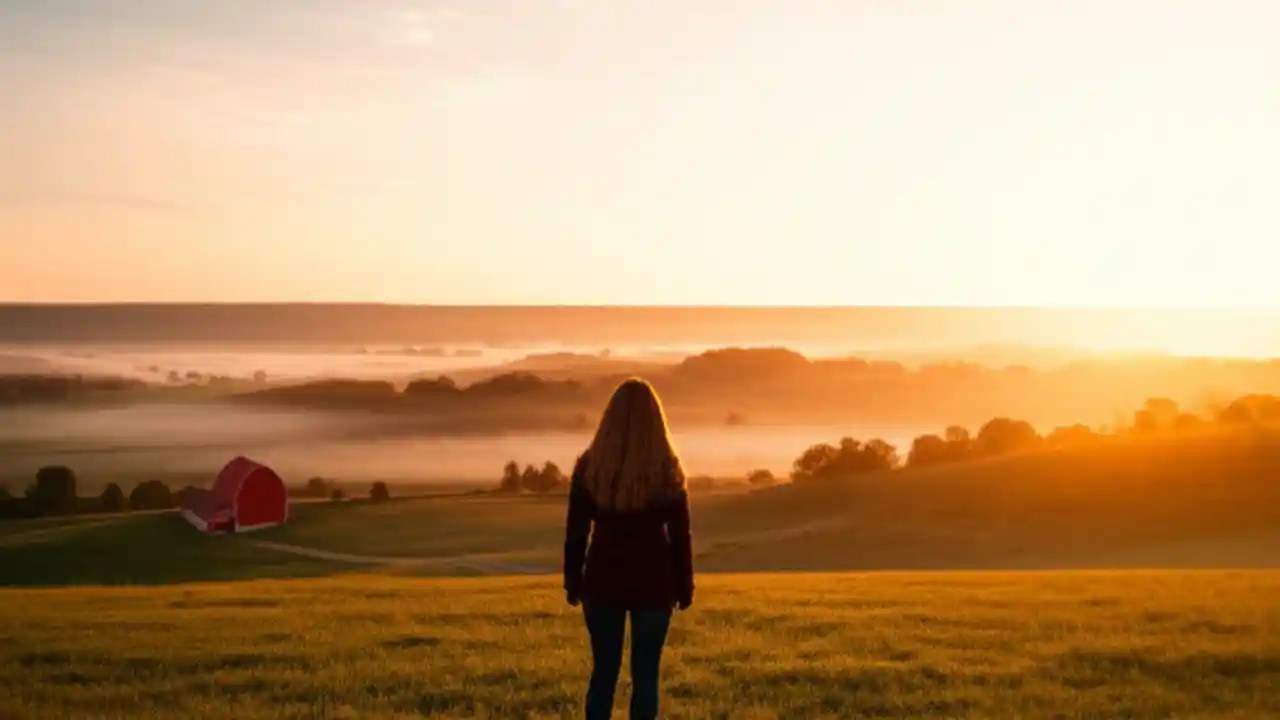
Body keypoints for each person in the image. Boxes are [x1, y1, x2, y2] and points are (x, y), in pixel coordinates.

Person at [564, 378, 694, 720]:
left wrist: (572, 582)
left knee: (603, 675)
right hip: (654, 581)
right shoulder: (668, 469)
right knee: (646, 679)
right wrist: (685, 586)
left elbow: (576, 532)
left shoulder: (589, 467)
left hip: (602, 579)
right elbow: (681, 535)